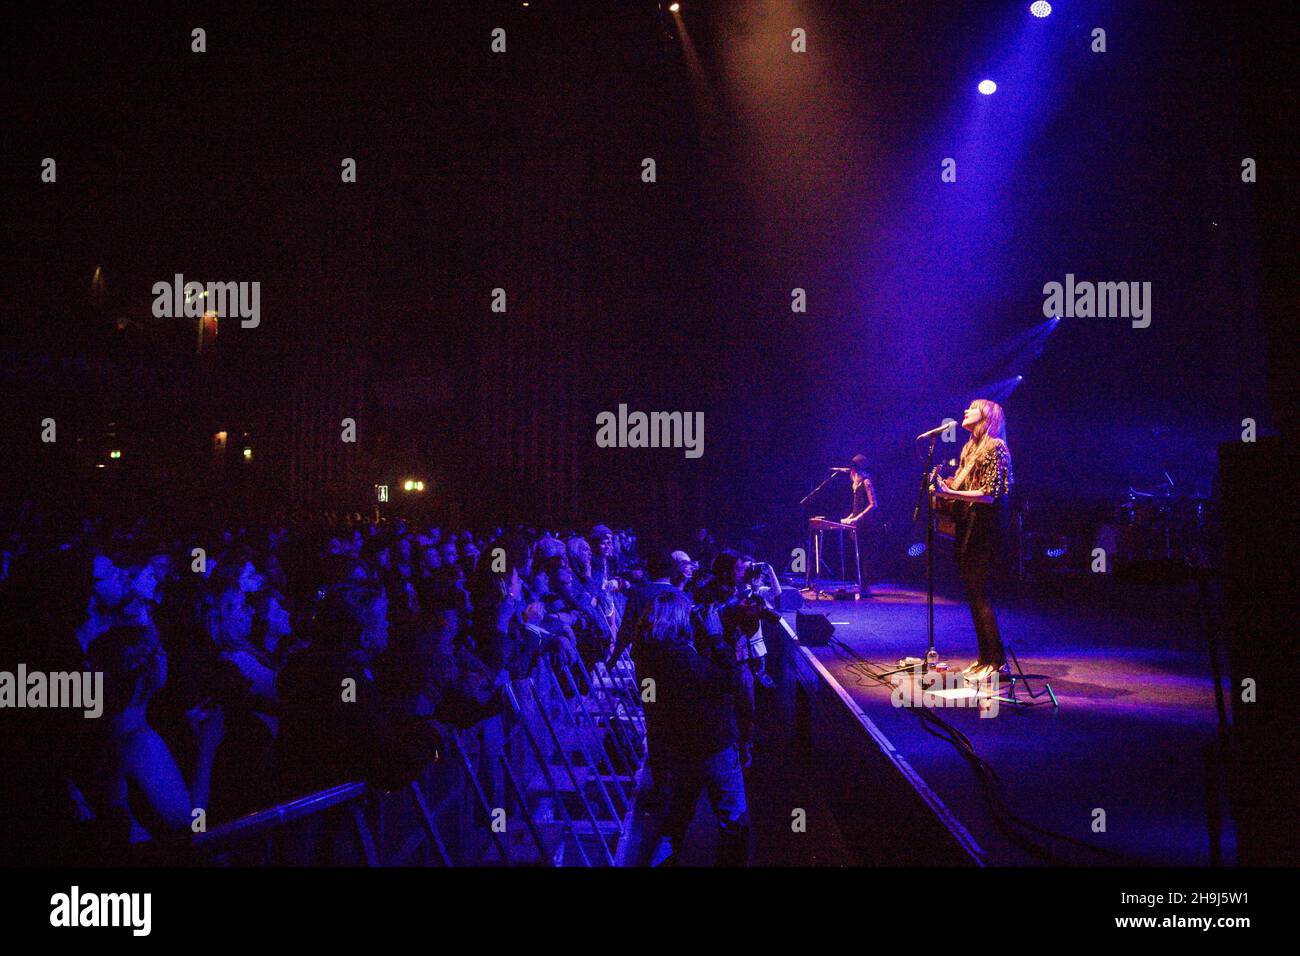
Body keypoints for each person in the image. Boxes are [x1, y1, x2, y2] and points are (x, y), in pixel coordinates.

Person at [632, 590, 750, 867]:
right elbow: (731, 680)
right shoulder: (681, 656)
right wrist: (717, 639)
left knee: (677, 818)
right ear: (675, 619)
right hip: (712, 746)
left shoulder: (647, 654)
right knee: (734, 821)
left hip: (679, 749)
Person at [932, 399, 1014, 683]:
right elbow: (962, 488)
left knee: (980, 593)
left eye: (972, 408)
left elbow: (989, 494)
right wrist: (944, 487)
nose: (965, 411)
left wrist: (951, 494)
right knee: (972, 593)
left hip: (987, 527)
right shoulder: (968, 448)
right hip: (969, 525)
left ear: (987, 415)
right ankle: (984, 659)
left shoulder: (995, 446)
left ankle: (998, 662)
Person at [841, 453, 878, 592]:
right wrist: (849, 517)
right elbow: (856, 507)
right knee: (858, 554)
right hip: (857, 523)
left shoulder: (866, 481)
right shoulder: (855, 483)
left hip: (866, 524)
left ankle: (866, 585)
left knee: (864, 555)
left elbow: (873, 504)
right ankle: (860, 583)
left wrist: (857, 518)